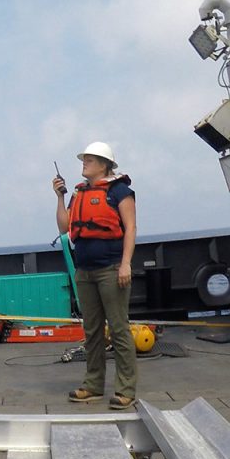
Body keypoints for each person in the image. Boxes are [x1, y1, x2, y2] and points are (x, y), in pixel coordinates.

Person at [54, 141, 138, 409]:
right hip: (85, 271)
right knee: (91, 331)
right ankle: (93, 385)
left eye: (89, 160)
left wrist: (125, 264)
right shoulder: (77, 194)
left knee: (118, 329)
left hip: (111, 269)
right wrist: (59, 197)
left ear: (104, 164)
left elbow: (131, 228)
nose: (84, 163)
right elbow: (65, 226)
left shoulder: (119, 191)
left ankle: (125, 389)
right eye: (84, 159)